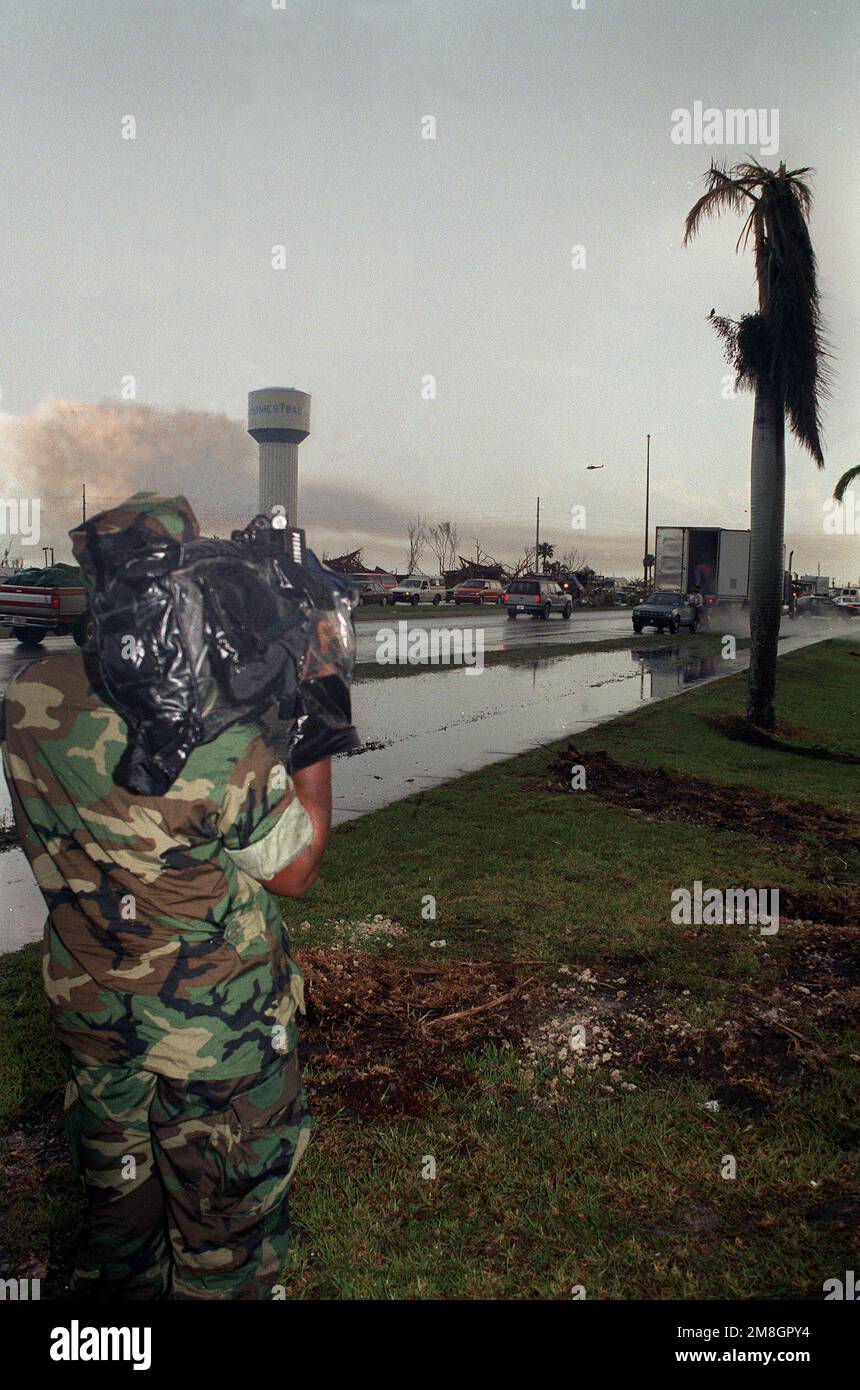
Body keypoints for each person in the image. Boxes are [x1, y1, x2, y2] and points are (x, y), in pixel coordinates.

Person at [0, 495, 333, 1300]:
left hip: (94, 1010)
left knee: (117, 1227)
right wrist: (316, 705)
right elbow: (298, 866)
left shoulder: (27, 698)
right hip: (216, 1031)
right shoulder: (211, 733)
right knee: (223, 1237)